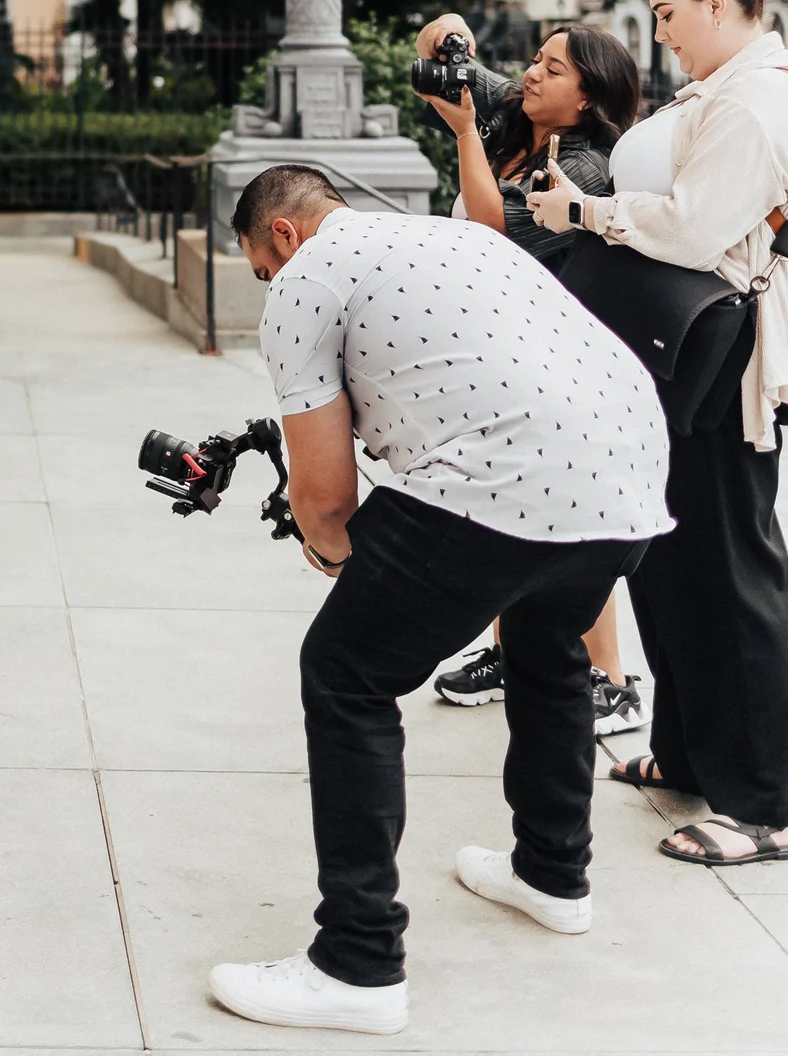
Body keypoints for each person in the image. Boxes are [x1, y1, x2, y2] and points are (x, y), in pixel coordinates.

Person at [207, 165, 669, 1037]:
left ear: (282, 237)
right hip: (631, 471)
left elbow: (326, 499)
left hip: (500, 480)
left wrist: (335, 554)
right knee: (548, 640)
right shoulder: (453, 235)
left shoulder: (303, 279)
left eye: (261, 271)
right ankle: (552, 873)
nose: (270, 287)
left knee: (346, 670)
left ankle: (358, 965)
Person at [528, 0, 788, 868]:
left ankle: (765, 803)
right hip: (680, 358)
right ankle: (686, 752)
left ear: (719, 6)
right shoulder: (724, 86)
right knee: (672, 559)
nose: (662, 34)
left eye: (670, 14)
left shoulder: (756, 98)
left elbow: (694, 227)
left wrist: (586, 213)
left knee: (731, 570)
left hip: (721, 362)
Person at [412, 15, 647, 731]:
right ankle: (510, 651)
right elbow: (433, 57)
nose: (532, 74)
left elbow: (496, 232)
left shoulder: (585, 166)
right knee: (506, 504)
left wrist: (461, 136)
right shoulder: (518, 110)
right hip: (494, 342)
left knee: (570, 514)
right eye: (536, 60)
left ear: (587, 96)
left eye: (552, 67)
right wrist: (448, 35)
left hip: (556, 354)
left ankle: (608, 678)